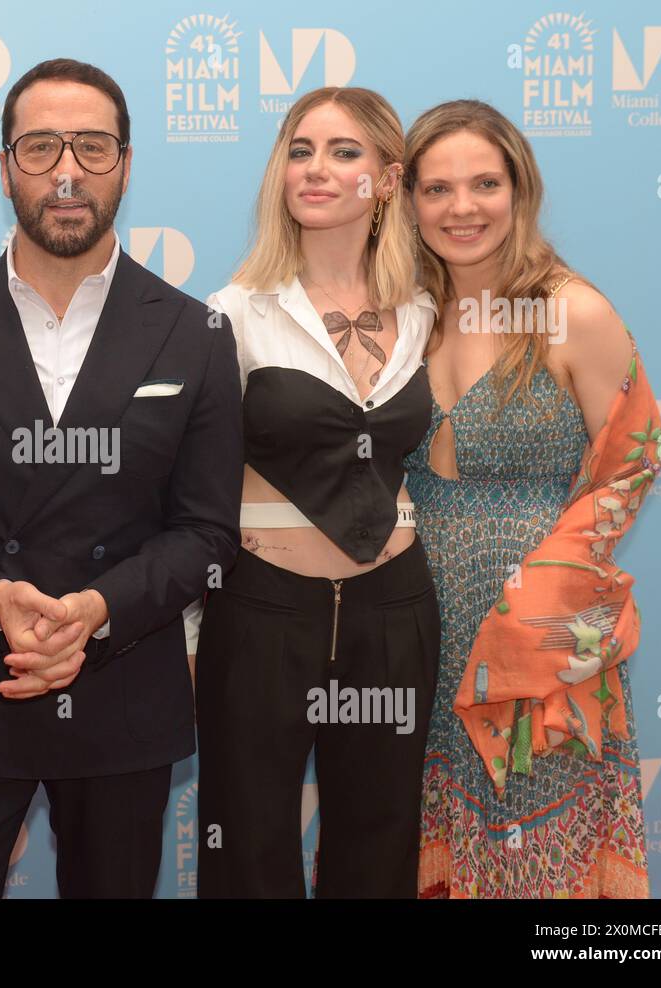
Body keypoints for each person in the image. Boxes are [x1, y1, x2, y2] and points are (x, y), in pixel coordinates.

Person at [0, 58, 242, 898]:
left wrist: (99, 612)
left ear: (127, 165)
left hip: (123, 698)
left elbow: (210, 534)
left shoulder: (196, 333)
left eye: (93, 147)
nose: (67, 171)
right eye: (40, 148)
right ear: (4, 168)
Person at [404, 99, 660, 898]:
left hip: (542, 638)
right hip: (417, 628)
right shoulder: (401, 318)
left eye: (484, 183)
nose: (462, 207)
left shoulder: (570, 311)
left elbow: (634, 462)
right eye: (436, 188)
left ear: (520, 190)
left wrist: (541, 602)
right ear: (406, 199)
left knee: (541, 864)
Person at [192, 87, 439, 898]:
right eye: (300, 151)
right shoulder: (230, 315)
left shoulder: (427, 313)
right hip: (263, 615)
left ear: (387, 179)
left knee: (380, 839)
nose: (316, 170)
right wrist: (194, 633)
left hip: (393, 612)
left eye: (343, 153)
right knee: (249, 846)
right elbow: (192, 493)